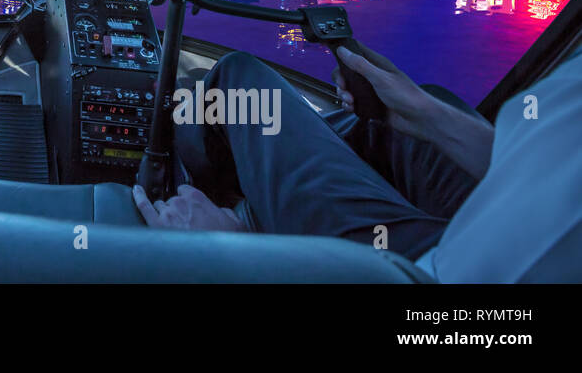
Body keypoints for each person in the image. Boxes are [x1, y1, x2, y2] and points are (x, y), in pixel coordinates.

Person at [132, 44, 582, 282]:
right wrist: (424, 114)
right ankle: (276, 197)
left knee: (244, 83)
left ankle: (236, 204)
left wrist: (236, 256)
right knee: (409, 116)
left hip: (430, 273)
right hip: (512, 217)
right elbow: (550, 168)